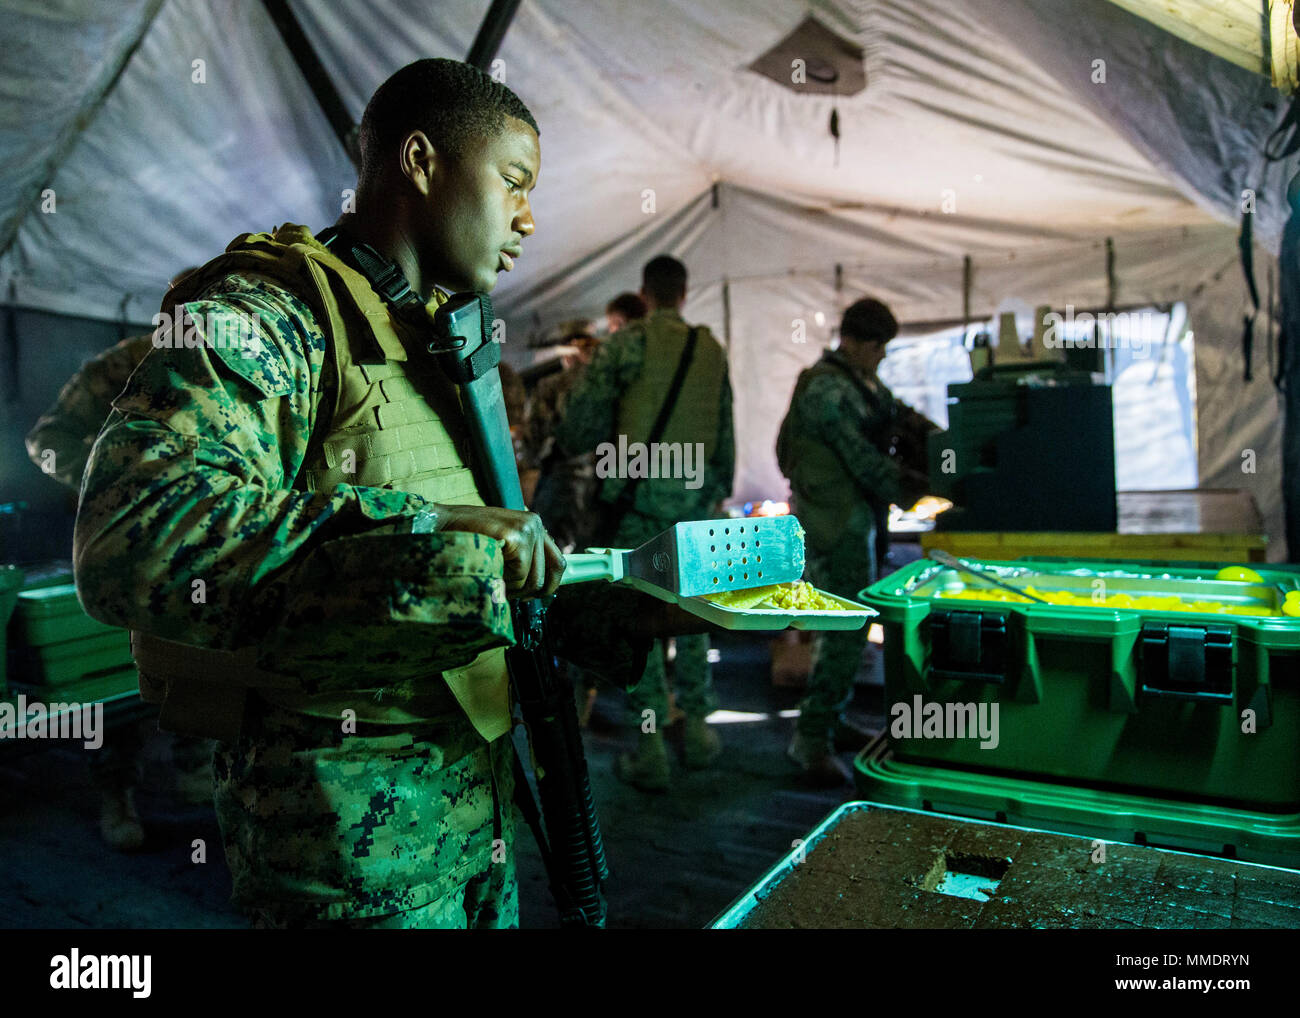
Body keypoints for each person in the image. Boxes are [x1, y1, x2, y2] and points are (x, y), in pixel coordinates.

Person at [74, 58, 652, 928]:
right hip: (350, 851)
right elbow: (132, 535)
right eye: (514, 182)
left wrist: (609, 604)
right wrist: (428, 526)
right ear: (420, 161)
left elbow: (452, 576)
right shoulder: (273, 316)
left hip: (472, 815)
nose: (531, 217)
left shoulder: (435, 341)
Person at [25, 278, 213, 852]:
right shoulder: (123, 365)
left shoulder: (228, 370)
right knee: (122, 681)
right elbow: (46, 440)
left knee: (205, 661)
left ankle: (198, 780)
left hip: (201, 547)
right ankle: (116, 795)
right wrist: (112, 471)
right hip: (126, 549)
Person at [557, 255, 735, 791]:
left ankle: (652, 747)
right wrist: (714, 492)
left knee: (642, 623)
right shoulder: (711, 349)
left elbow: (577, 426)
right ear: (685, 293)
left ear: (646, 292)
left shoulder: (627, 343)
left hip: (638, 506)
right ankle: (701, 733)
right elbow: (725, 435)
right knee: (701, 612)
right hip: (699, 505)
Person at [776, 297, 931, 786]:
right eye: (879, 348)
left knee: (844, 628)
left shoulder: (856, 382)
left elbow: (895, 413)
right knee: (845, 629)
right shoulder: (827, 390)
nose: (882, 358)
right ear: (858, 342)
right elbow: (863, 460)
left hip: (849, 519)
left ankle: (829, 719)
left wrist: (935, 438)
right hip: (832, 523)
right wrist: (921, 489)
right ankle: (810, 741)